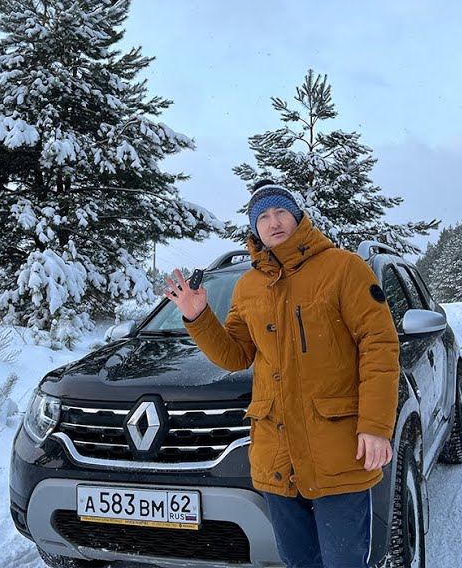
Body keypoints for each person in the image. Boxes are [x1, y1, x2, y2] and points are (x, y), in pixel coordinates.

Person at [165, 180, 401, 568]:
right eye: (263, 217)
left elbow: (379, 347)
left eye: (280, 212)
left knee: (343, 561)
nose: (273, 222)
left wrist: (375, 426)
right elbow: (236, 355)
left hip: (338, 449)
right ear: (254, 228)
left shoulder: (343, 268)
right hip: (275, 454)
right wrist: (198, 316)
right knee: (297, 561)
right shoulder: (248, 286)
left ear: (297, 217)